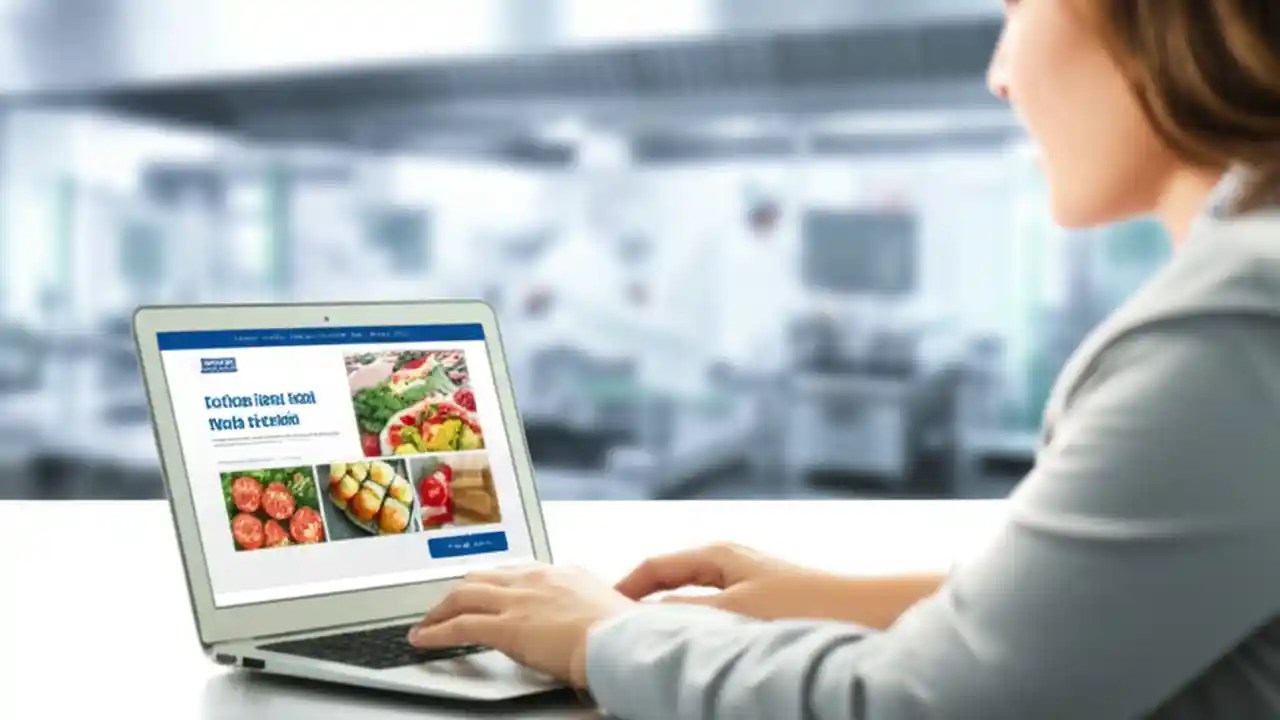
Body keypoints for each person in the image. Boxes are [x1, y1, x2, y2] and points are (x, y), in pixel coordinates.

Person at [407, 1, 1280, 717]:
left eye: (1017, 8)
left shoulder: (1239, 315)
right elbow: (1121, 614)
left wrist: (605, 636)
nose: (999, 73)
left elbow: (924, 706)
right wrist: (827, 596)